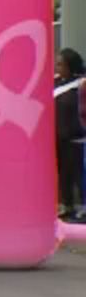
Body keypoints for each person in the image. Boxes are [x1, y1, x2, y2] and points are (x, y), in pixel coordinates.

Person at [54, 49, 85, 217]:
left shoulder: (80, 85)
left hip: (77, 137)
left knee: (79, 173)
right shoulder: (56, 83)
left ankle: (82, 206)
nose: (56, 67)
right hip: (60, 137)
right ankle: (67, 204)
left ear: (69, 66)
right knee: (64, 172)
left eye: (60, 64)